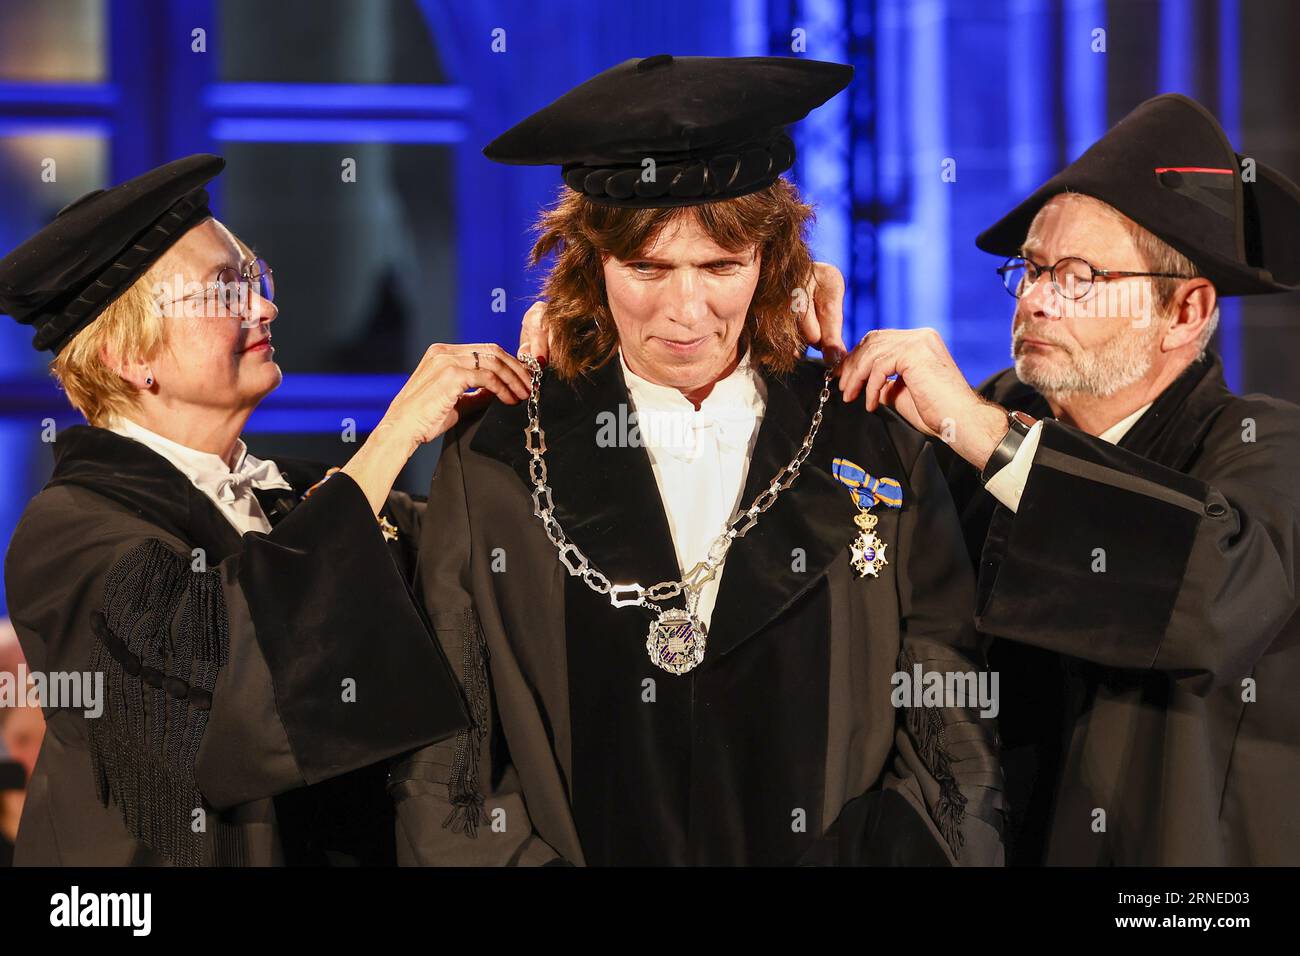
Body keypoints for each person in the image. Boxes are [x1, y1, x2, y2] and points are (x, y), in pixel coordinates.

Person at [390, 55, 1004, 866]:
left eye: (722, 267)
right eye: (646, 268)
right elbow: (450, 771)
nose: (685, 311)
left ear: (772, 261)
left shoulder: (872, 438)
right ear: (591, 260)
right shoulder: (501, 455)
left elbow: (951, 741)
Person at [0, 154, 527, 865]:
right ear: (132, 355)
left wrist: (570, 357)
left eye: (257, 279)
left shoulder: (288, 496)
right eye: (225, 292)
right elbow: (231, 695)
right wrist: (395, 432)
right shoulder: (69, 534)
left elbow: (482, 562)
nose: (265, 306)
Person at [836, 94, 1300, 865]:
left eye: (1079, 277)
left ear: (1185, 311)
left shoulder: (1265, 446)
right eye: (1032, 269)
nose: (1037, 300)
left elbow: (1213, 596)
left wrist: (988, 435)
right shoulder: (976, 428)